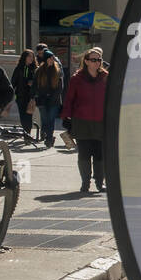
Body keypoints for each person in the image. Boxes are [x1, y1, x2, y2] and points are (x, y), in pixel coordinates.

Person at [62, 48, 108, 193]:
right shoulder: (77, 78)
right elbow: (69, 99)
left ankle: (100, 183)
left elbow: (112, 99)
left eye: (99, 60)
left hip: (101, 121)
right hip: (82, 121)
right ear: (86, 61)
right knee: (84, 154)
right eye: (93, 60)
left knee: (100, 154)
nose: (97, 62)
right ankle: (85, 183)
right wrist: (66, 117)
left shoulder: (106, 77)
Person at [33, 49, 65, 148]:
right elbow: (35, 86)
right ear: (46, 59)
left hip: (53, 101)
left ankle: (49, 138)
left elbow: (60, 87)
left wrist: (53, 98)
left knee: (51, 120)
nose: (52, 60)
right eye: (50, 58)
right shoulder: (39, 71)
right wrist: (35, 96)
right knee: (45, 120)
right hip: (42, 100)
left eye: (53, 58)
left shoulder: (57, 70)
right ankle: (47, 135)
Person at [10, 49, 37, 136]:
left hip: (31, 97)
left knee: (29, 116)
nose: (31, 58)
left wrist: (33, 83)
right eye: (29, 56)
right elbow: (13, 82)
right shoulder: (19, 68)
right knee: (23, 116)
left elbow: (39, 83)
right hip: (20, 96)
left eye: (32, 57)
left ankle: (27, 134)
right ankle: (26, 133)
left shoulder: (35, 69)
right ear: (24, 57)